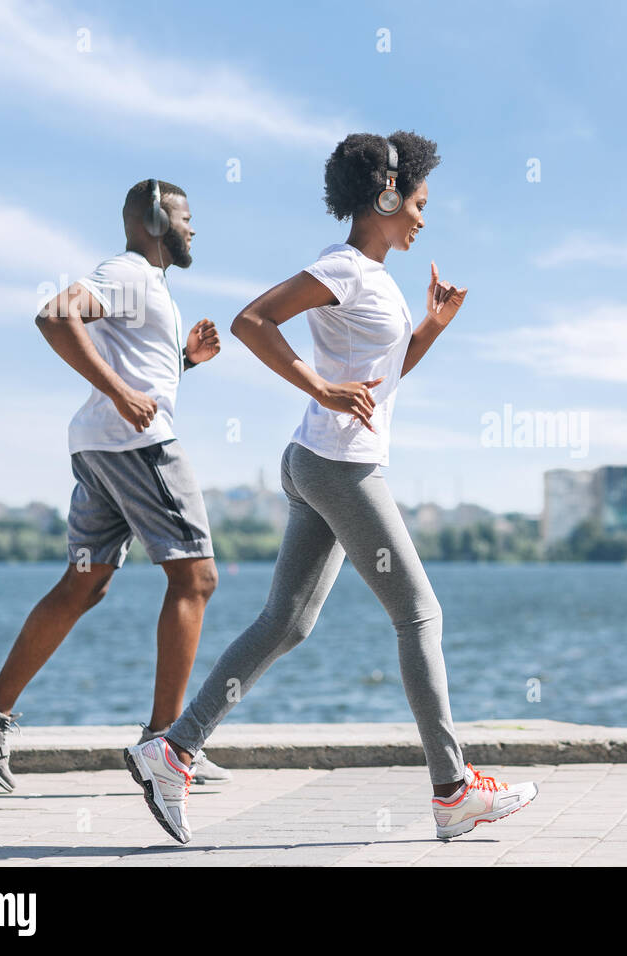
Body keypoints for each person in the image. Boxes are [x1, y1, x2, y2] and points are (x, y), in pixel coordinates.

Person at [123, 132, 538, 844]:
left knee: (288, 621)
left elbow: (380, 379)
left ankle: (174, 750)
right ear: (385, 195)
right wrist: (319, 385)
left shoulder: (374, 279)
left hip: (322, 460)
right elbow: (253, 321)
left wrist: (431, 326)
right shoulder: (343, 267)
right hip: (340, 468)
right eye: (418, 203)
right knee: (420, 614)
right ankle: (451, 790)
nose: (423, 218)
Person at [0, 180, 232, 790]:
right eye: (186, 218)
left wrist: (182, 362)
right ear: (156, 218)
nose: (193, 229)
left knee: (85, 584)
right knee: (197, 576)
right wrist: (120, 392)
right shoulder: (128, 271)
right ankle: (165, 743)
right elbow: (54, 315)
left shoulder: (149, 286)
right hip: (138, 448)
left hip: (99, 447)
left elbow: (133, 364)